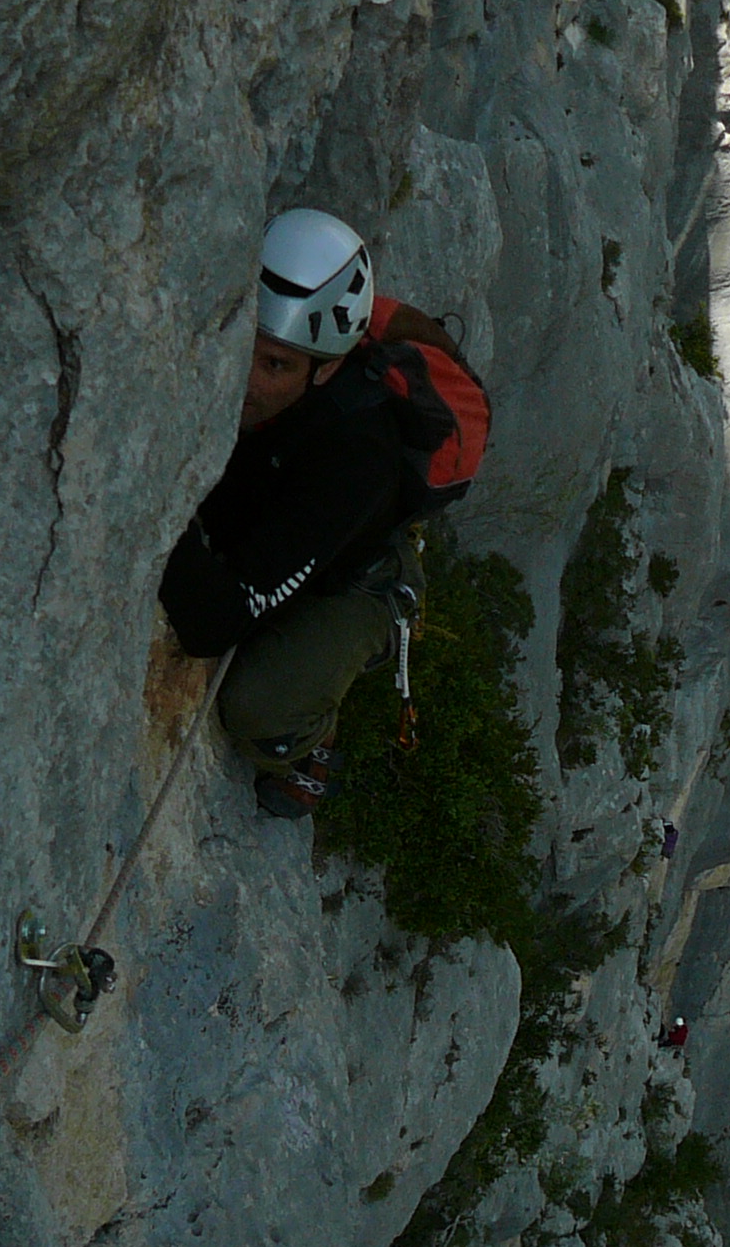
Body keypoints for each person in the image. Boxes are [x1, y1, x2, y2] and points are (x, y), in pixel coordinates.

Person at [158, 208, 490, 817]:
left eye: (277, 365)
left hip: (355, 574)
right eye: (244, 350)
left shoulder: (354, 461)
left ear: (329, 367)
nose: (245, 381)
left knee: (259, 708)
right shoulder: (277, 394)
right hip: (282, 496)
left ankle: (311, 744)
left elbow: (214, 622)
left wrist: (155, 504)